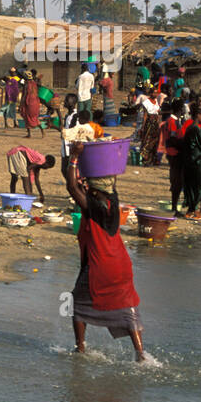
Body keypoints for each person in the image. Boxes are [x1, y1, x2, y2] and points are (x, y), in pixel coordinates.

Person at [64, 148, 144, 362]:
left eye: (90, 188)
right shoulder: (113, 202)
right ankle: (140, 354)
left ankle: (80, 348)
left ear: (95, 192)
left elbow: (71, 186)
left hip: (101, 266)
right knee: (127, 306)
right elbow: (109, 182)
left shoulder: (94, 208)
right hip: (121, 265)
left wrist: (74, 157)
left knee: (77, 304)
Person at [180, 107, 201, 218]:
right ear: (198, 115)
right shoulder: (196, 129)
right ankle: (194, 210)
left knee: (192, 186)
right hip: (196, 160)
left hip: (189, 160)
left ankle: (191, 210)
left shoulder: (190, 128)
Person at [135, 86, 163, 166]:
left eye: (156, 92)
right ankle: (145, 160)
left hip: (156, 124)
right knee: (147, 141)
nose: (156, 94)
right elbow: (145, 116)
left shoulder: (156, 101)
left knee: (155, 142)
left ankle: (153, 160)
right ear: (150, 93)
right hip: (149, 124)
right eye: (154, 92)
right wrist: (143, 127)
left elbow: (158, 112)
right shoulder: (146, 102)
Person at [19, 69, 44, 137]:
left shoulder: (26, 85)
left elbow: (24, 95)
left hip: (29, 102)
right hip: (35, 102)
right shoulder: (35, 83)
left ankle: (29, 134)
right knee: (34, 118)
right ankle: (42, 131)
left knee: (27, 117)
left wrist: (20, 105)